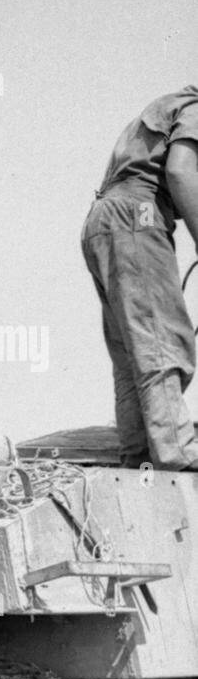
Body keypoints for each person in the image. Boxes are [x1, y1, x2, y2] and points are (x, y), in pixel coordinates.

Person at [81, 88, 198, 469]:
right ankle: (178, 452)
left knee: (133, 352)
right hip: (139, 216)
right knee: (163, 339)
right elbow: (180, 171)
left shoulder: (171, 104)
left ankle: (140, 455)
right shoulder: (196, 110)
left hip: (106, 218)